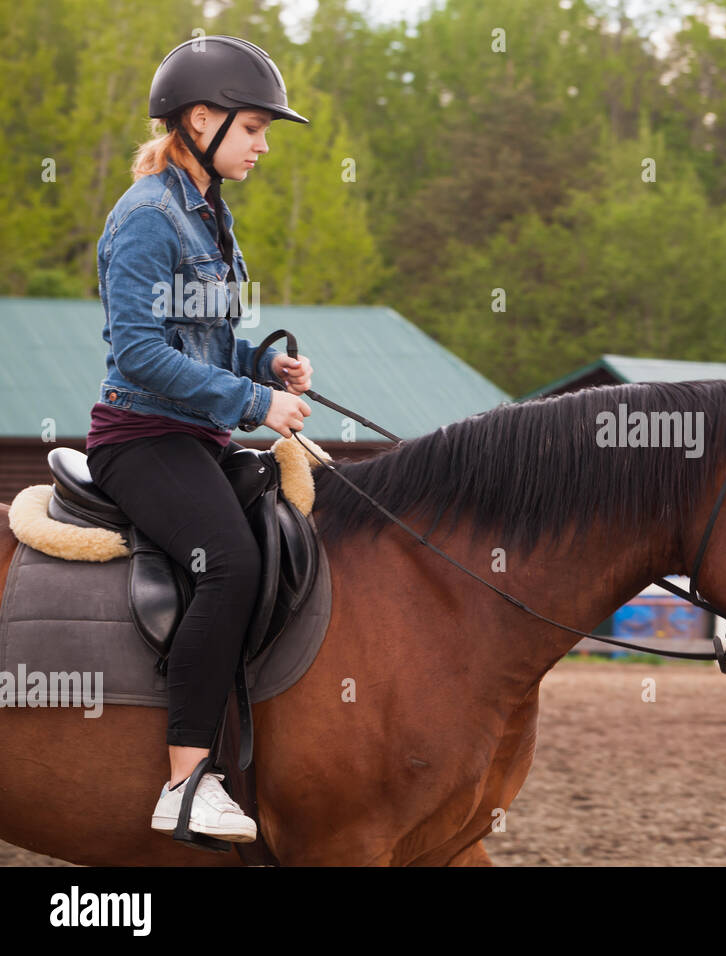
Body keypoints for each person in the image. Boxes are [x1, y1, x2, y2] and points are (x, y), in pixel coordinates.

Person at [85, 36, 313, 844]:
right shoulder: (148, 215)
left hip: (195, 434)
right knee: (233, 561)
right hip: (142, 437)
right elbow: (142, 353)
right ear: (203, 119)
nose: (263, 144)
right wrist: (252, 399)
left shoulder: (210, 212)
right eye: (254, 127)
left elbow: (203, 346)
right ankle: (185, 783)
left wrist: (266, 364)